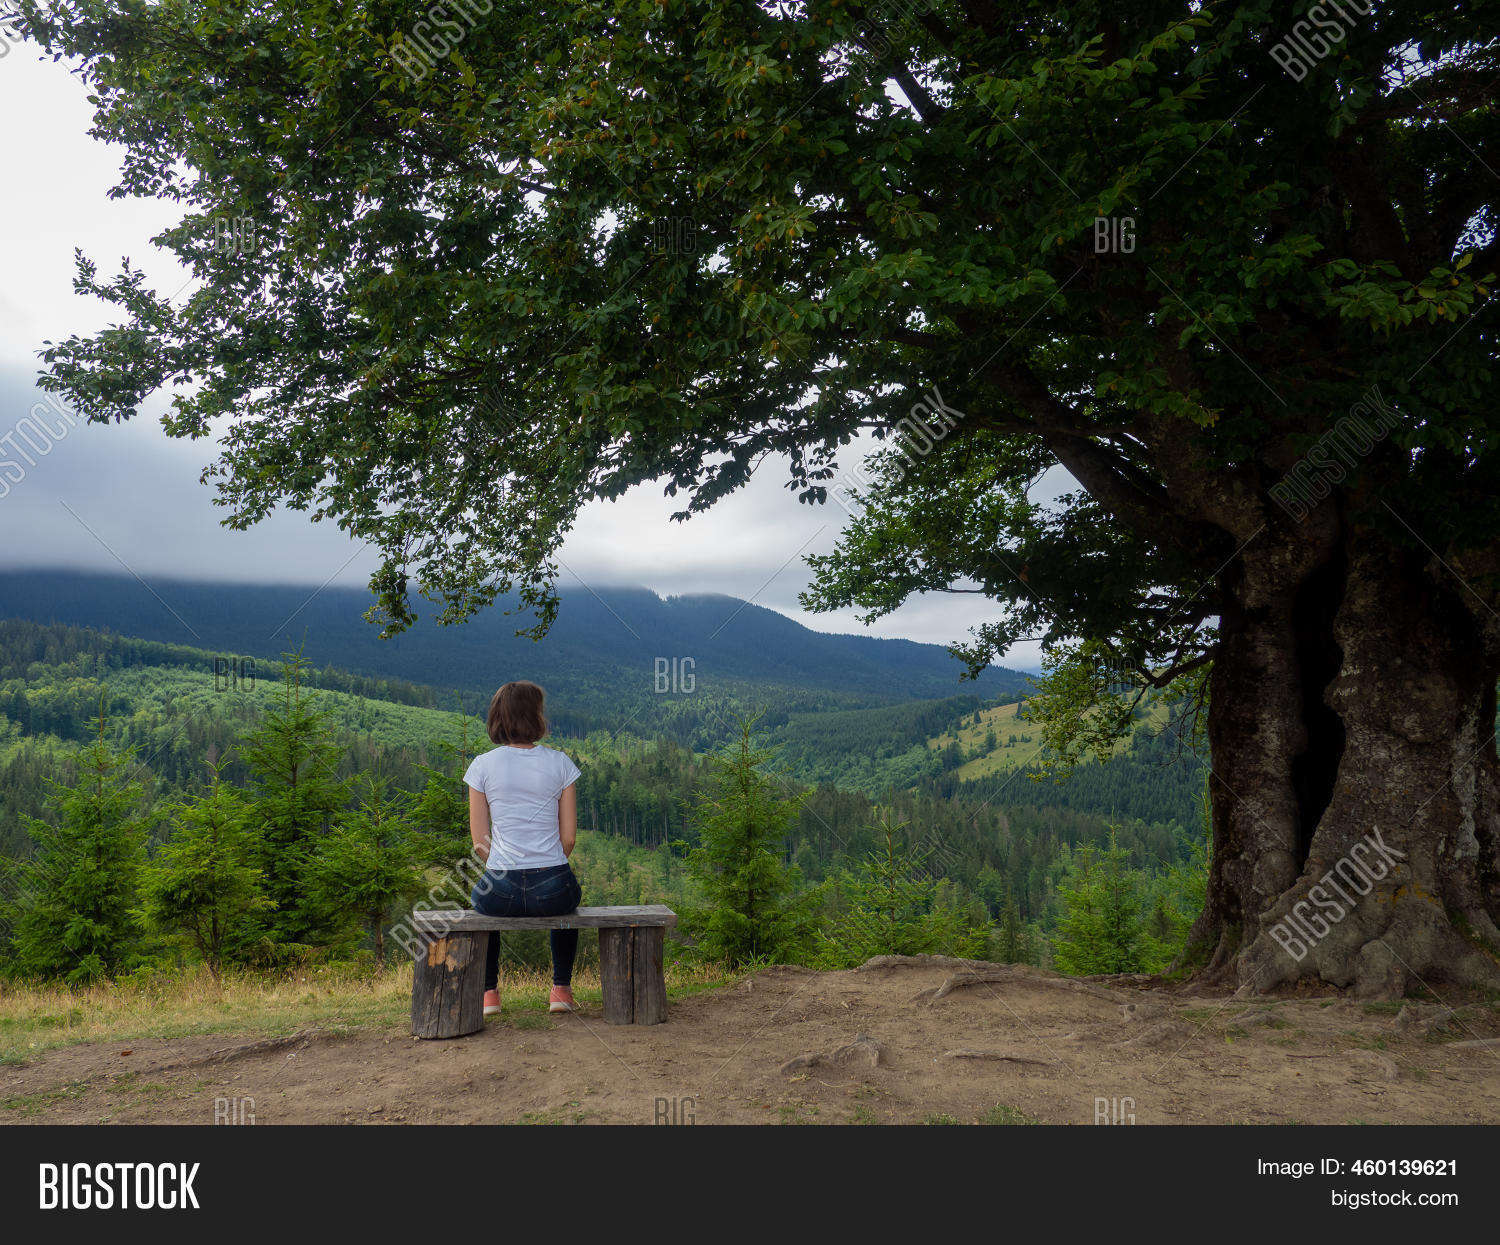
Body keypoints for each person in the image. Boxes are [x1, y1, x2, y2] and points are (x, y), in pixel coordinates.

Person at [464, 680, 583, 1016]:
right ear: (537, 717)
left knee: (482, 907)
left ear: (497, 719)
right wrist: (547, 864)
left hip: (500, 888)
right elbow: (569, 839)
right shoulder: (561, 764)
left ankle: (489, 995)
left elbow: (479, 842)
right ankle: (560, 990)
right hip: (554, 884)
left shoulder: (482, 766)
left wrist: (504, 861)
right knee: (566, 912)